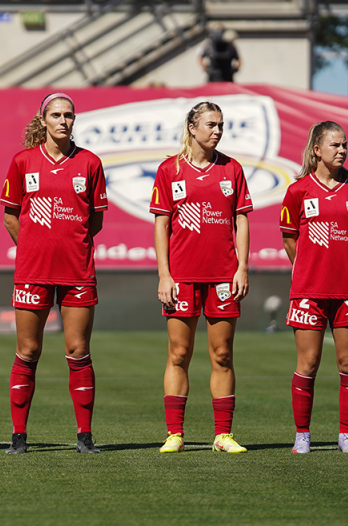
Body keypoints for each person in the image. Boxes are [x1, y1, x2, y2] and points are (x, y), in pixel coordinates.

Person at [1, 93, 108, 455]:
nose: (64, 121)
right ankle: (19, 436)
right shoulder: (23, 162)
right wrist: (32, 245)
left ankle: (85, 435)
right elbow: (11, 216)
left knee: (78, 350)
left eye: (69, 115)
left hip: (77, 270)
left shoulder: (90, 163)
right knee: (28, 350)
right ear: (43, 119)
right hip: (33, 271)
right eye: (57, 115)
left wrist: (71, 242)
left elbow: (95, 220)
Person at [151, 102, 252, 454]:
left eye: (221, 124)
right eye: (211, 124)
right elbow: (161, 224)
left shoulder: (232, 170)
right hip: (182, 278)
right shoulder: (169, 170)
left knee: (222, 354)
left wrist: (241, 266)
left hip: (223, 276)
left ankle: (223, 434)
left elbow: (241, 219)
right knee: (179, 353)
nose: (218, 130)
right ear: (192, 128)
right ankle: (174, 434)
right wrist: (165, 275)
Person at [280, 122, 348, 454]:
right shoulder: (298, 191)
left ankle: (346, 436)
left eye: (345, 145)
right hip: (308, 291)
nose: (342, 150)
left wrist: (345, 264)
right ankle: (302, 435)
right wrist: (309, 267)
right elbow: (290, 237)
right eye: (335, 145)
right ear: (317, 149)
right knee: (308, 363)